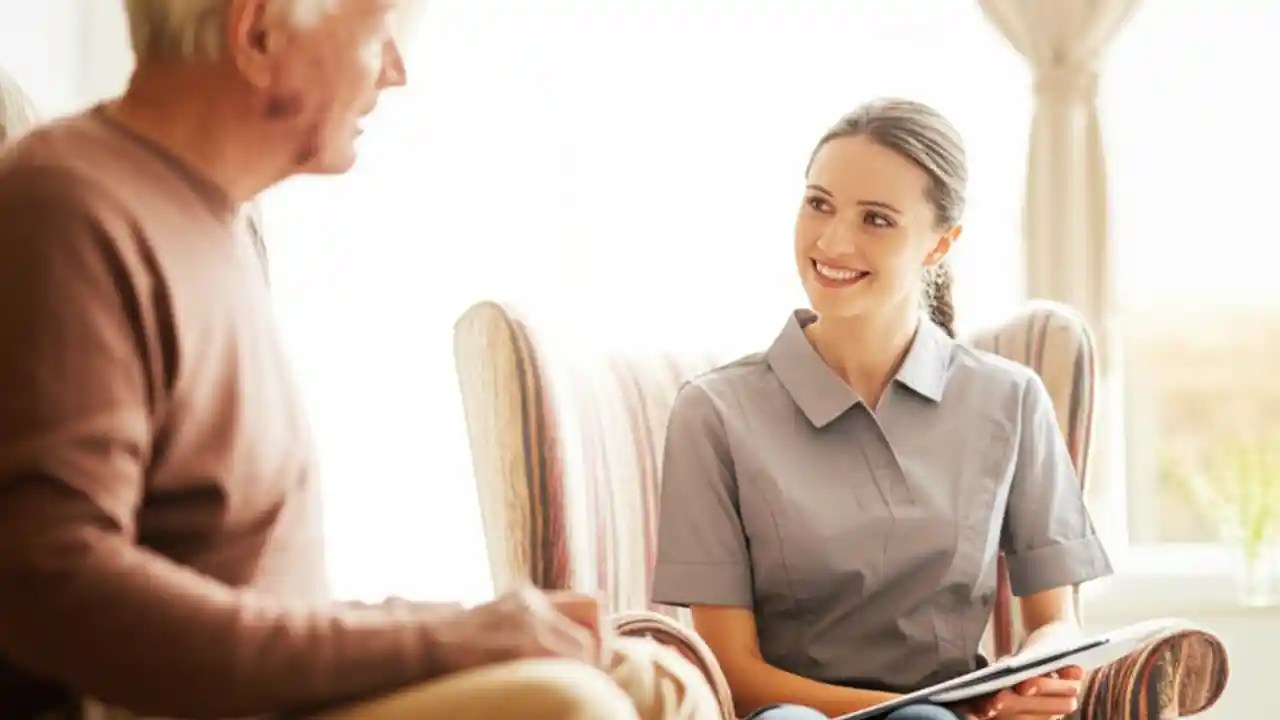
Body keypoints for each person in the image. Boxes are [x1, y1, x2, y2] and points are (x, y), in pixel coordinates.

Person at [0, 1, 718, 719]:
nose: (397, 72)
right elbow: (52, 585)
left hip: (255, 692)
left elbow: (269, 603)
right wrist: (443, 639)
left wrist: (469, 629)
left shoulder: (228, 224)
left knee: (652, 677)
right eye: (378, 37)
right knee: (572, 706)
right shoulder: (66, 206)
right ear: (259, 33)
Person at [651, 98, 1114, 720]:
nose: (833, 240)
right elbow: (731, 669)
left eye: (876, 218)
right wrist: (929, 710)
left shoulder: (1010, 400)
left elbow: (1056, 620)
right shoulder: (713, 413)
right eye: (819, 204)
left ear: (940, 244)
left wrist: (1034, 679)